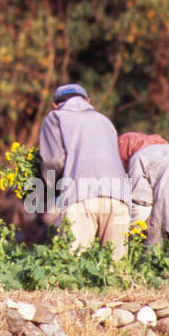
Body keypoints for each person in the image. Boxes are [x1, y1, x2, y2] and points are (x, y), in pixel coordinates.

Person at [37, 83, 130, 260]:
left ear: (55, 105)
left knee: (72, 266)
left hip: (80, 196)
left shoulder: (55, 117)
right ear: (88, 101)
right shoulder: (105, 121)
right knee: (116, 272)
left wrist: (50, 193)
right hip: (119, 198)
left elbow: (53, 161)